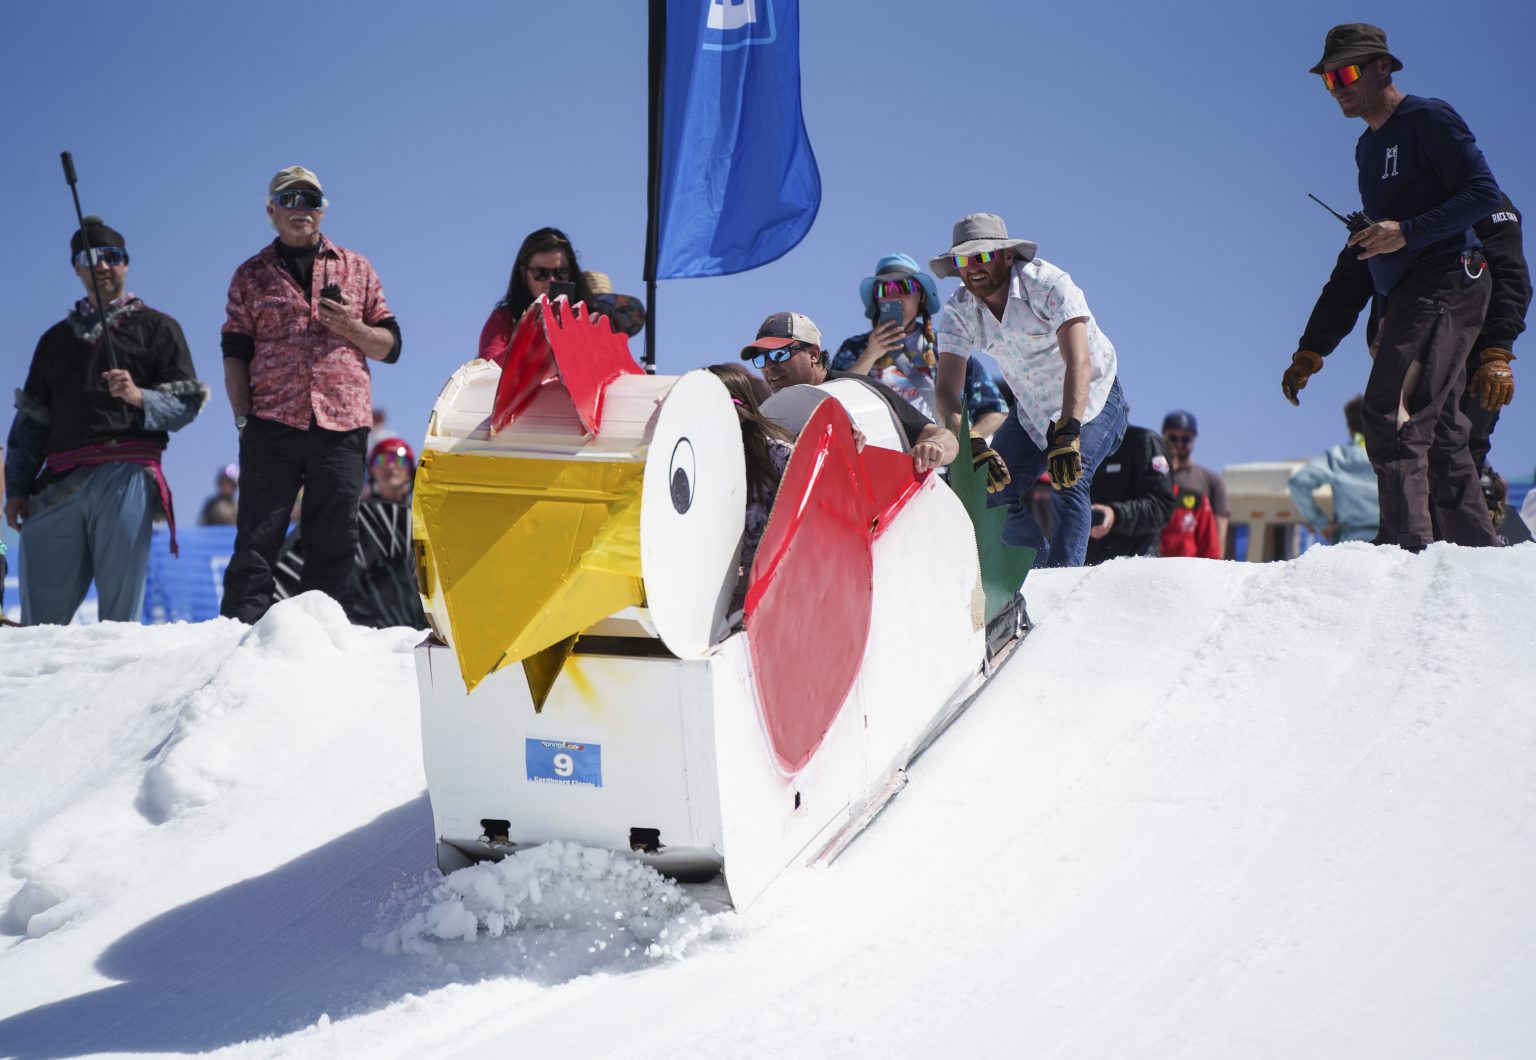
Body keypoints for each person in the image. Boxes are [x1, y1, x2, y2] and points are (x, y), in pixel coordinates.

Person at [1281, 24, 1504, 551]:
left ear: (1383, 66)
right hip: (1408, 296)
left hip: (1448, 278)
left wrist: (1406, 231)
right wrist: (1313, 347)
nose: (1336, 86)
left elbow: (1484, 193)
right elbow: (1362, 258)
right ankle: (1480, 561)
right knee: (1443, 434)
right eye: (1328, 78)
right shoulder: (1367, 148)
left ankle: (1404, 555)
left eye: (1346, 73)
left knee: (1390, 412)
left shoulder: (1428, 119)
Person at [219, 165, 403, 624]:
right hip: (271, 422)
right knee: (257, 538)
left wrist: (350, 326)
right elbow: (235, 352)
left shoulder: (357, 267)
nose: (301, 208)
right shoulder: (250, 275)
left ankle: (322, 639)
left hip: (342, 422)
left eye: (311, 199)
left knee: (334, 540)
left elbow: (390, 347)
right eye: (289, 198)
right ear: (271, 211)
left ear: (323, 210)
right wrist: (243, 419)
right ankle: (237, 637)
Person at [4, 216, 206, 624]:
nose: (100, 265)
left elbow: (187, 405)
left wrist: (139, 396)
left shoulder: (159, 327)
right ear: (76, 269)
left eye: (111, 256)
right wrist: (17, 486)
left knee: (118, 625)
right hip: (58, 480)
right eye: (88, 257)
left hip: (124, 472)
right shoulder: (53, 340)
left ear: (126, 263)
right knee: (38, 627)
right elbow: (31, 420)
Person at [931, 213, 1127, 568]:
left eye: (983, 256)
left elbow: (1079, 361)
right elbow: (946, 389)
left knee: (1069, 477)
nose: (973, 268)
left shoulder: (1049, 285)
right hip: (1032, 411)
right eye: (963, 260)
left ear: (1008, 256)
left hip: (1092, 399)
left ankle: (1064, 583)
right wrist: (971, 442)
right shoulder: (960, 311)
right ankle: (1039, 576)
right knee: (990, 490)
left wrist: (1068, 430)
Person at [1295, 193, 1529, 476]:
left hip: (1468, 358)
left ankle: (1478, 495)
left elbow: (1510, 275)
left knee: (1458, 456)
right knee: (1400, 453)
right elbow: (1347, 285)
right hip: (1404, 356)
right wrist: (1312, 348)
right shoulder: (1392, 200)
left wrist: (1498, 352)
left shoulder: (1482, 197)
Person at [740, 311, 958, 473]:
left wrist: (934, 446)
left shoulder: (861, 391)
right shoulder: (768, 417)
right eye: (761, 359)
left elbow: (945, 437)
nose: (769, 366)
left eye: (779, 354)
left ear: (813, 354)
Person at [274, 436, 428, 629]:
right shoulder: (351, 517)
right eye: (382, 459)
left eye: (399, 460)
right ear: (372, 470)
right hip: (360, 627)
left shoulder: (424, 522)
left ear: (410, 472)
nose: (391, 466)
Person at [705, 363, 794, 596]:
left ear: (743, 412)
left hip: (769, 587)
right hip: (708, 588)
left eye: (719, 404)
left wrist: (850, 441)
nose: (707, 413)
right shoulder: (686, 461)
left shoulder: (777, 455)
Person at [479, 228, 594, 363]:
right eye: (541, 273)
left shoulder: (590, 317)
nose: (551, 280)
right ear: (523, 273)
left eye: (561, 272)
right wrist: (536, 339)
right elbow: (490, 366)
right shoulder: (505, 318)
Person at [1288, 396, 1381, 544]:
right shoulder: (1394, 455)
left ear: (1350, 429)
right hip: (1391, 544)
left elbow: (1298, 482)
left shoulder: (1338, 456)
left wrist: (1321, 523)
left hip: (1350, 544)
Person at [1084, 425, 1175, 565]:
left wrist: (1115, 515)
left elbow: (1162, 506)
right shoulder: (1079, 448)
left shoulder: (1144, 441)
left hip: (1134, 568)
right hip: (1086, 569)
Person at [1161, 410, 1228, 558]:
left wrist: (1216, 566)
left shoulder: (1212, 481)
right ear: (1163, 436)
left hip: (1193, 564)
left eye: (1185, 438)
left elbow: (1218, 536)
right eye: (1173, 438)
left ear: (1194, 438)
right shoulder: (1153, 477)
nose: (1179, 443)